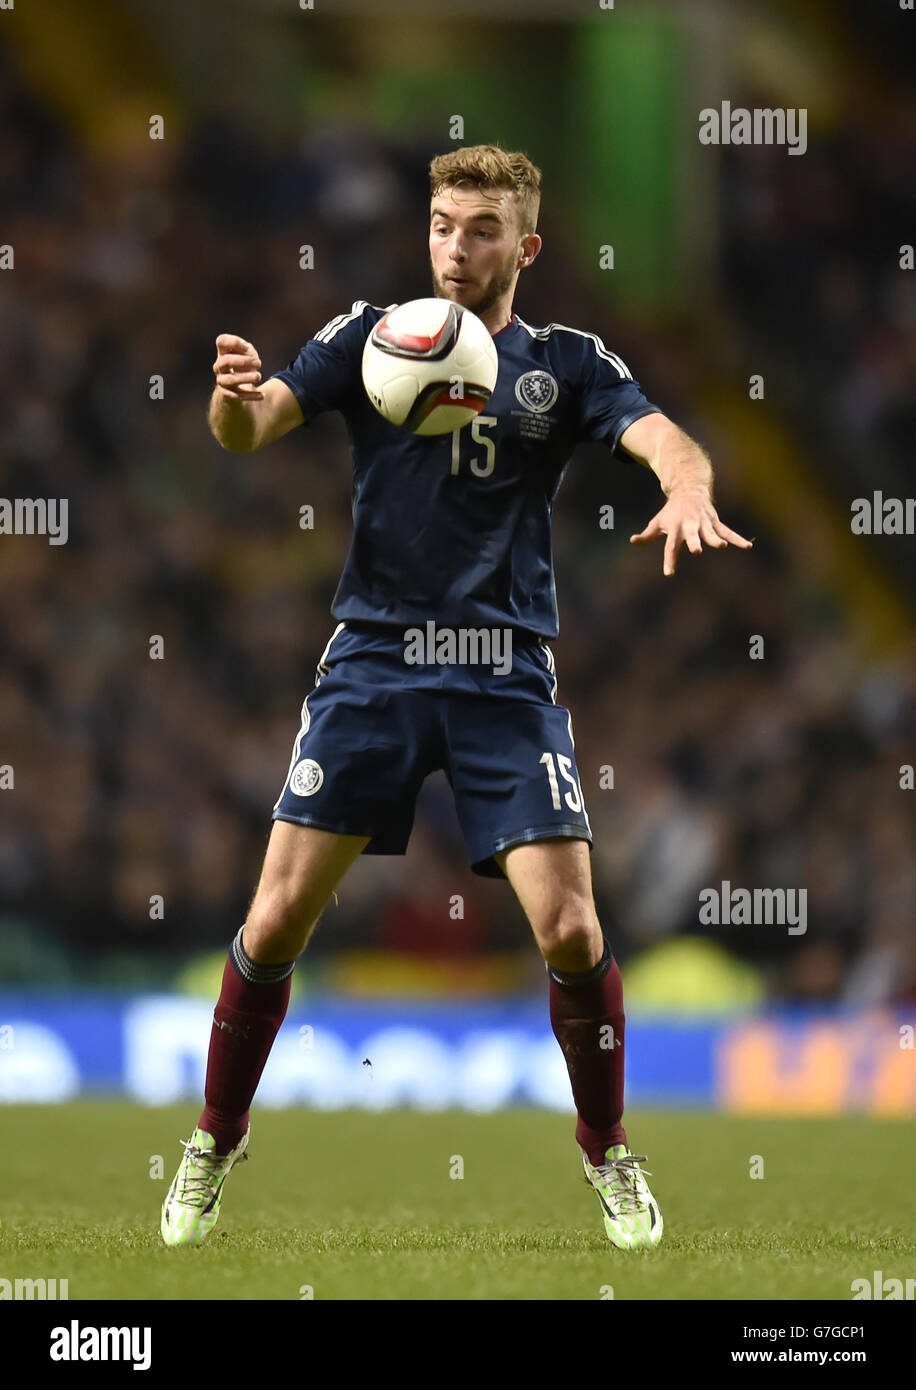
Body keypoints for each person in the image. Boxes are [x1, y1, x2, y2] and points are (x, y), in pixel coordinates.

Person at [160, 144, 752, 1252]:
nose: (454, 246)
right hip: (374, 662)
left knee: (572, 928)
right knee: (275, 917)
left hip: (503, 674)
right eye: (441, 223)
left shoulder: (564, 363)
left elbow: (660, 435)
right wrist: (229, 403)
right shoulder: (366, 336)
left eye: (481, 228)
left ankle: (606, 1147)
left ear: (524, 246)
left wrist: (686, 486)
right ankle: (215, 1136)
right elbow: (257, 425)